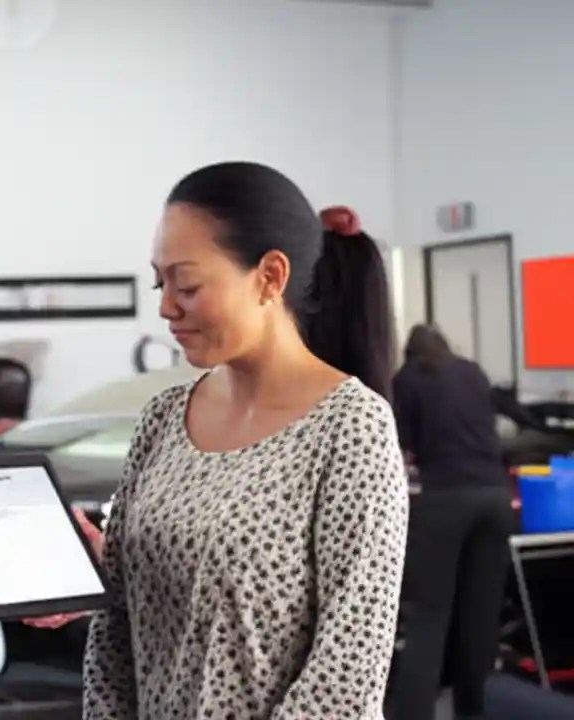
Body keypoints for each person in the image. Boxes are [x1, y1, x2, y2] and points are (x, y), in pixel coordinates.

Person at [71, 163, 409, 719]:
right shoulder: (162, 419)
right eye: (161, 284)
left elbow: (345, 679)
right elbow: (116, 632)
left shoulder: (350, 429)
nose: (165, 307)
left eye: (188, 285)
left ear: (270, 277)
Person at [385, 324, 514, 720]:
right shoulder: (471, 371)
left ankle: (414, 714)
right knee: (480, 615)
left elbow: (398, 443)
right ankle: (473, 710)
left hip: (445, 500)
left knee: (429, 615)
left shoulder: (407, 379)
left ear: (410, 352)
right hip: (495, 498)